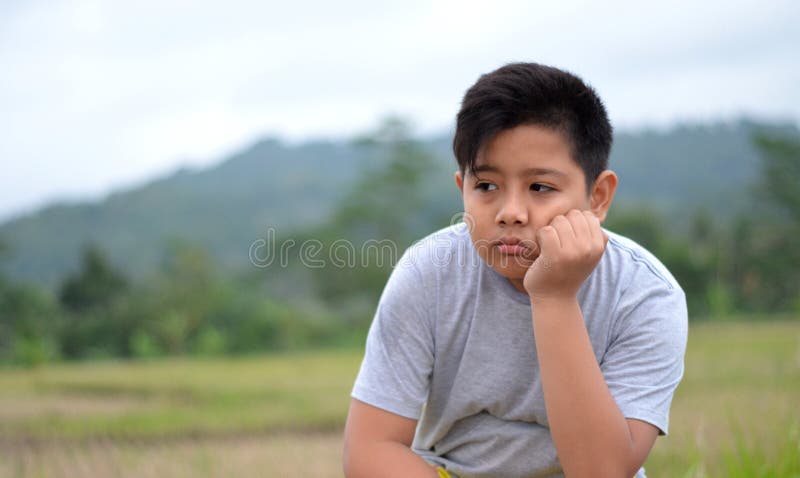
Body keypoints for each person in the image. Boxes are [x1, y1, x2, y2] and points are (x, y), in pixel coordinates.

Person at [342, 62, 688, 478]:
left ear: (598, 196)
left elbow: (603, 471)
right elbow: (370, 449)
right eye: (486, 186)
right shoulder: (428, 274)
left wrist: (555, 297)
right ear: (462, 190)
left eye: (540, 187)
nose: (510, 213)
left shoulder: (643, 294)